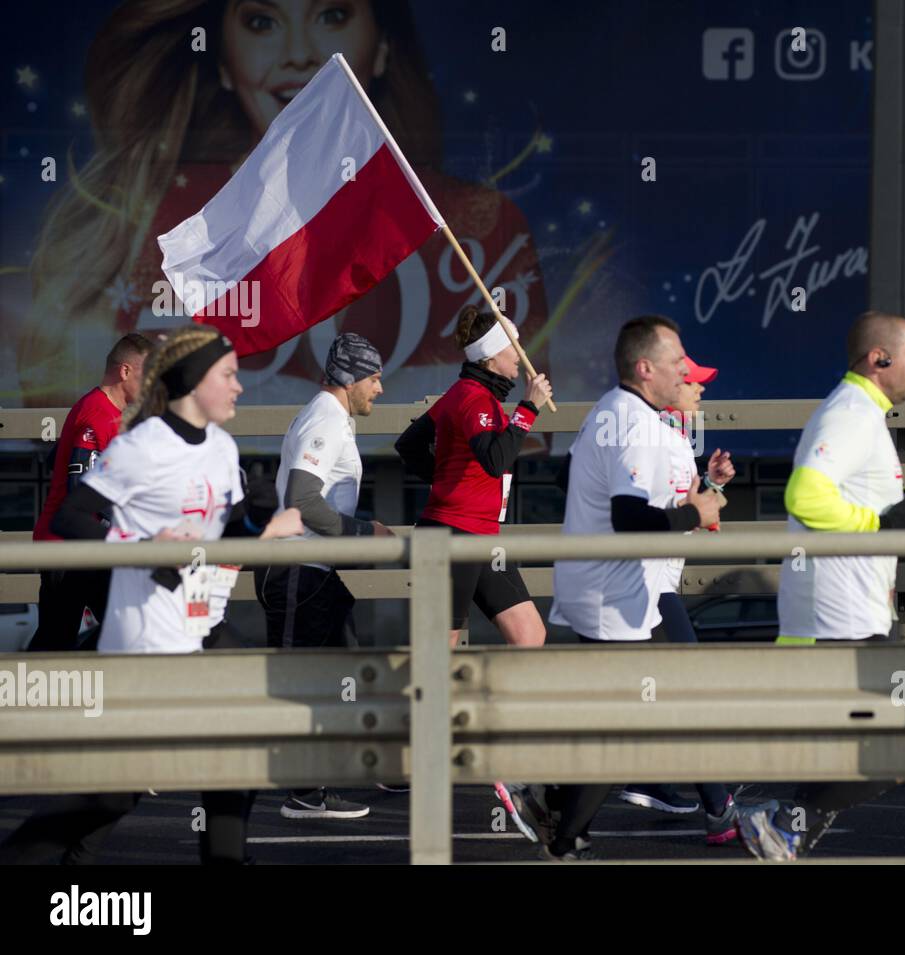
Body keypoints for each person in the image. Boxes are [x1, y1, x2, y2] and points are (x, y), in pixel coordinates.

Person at [17, 0, 548, 412]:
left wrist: (523, 407)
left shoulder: (482, 222)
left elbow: (514, 461)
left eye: (333, 14)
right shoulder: (136, 226)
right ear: (222, 60)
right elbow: (67, 413)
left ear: (384, 44)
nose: (298, 52)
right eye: (261, 22)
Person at [0, 326, 304, 865]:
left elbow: (224, 542)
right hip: (148, 634)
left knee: (240, 745)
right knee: (117, 788)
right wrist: (143, 546)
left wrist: (257, 519)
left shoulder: (222, 446)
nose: (240, 388)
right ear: (193, 382)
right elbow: (70, 516)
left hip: (202, 626)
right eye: (229, 376)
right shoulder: (142, 446)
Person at [510, 316, 724, 861]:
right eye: (677, 360)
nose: (684, 369)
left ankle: (554, 806)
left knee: (627, 713)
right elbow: (630, 518)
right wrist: (694, 514)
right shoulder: (633, 422)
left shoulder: (618, 411)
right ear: (645, 368)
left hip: (611, 588)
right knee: (627, 723)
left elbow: (590, 488)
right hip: (615, 595)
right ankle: (563, 835)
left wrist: (696, 500)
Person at [740, 311, 905, 861]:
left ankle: (784, 831)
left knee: (866, 745)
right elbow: (804, 497)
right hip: (840, 618)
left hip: (849, 613)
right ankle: (780, 825)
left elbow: (857, 505)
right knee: (895, 747)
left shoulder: (864, 414)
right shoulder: (852, 414)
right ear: (880, 360)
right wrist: (879, 526)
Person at [256, 332, 391, 820]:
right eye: (374, 379)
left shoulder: (334, 417)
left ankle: (377, 765)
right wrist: (362, 533)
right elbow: (302, 499)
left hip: (315, 572)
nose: (380, 389)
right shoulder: (326, 417)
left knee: (348, 670)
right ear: (351, 378)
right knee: (303, 682)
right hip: (296, 571)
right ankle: (304, 792)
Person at [615, 353, 743, 843]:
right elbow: (695, 521)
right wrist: (705, 498)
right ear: (671, 387)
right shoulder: (664, 443)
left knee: (649, 691)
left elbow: (684, 515)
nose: (701, 392)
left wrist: (708, 486)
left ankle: (646, 778)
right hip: (649, 585)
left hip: (640, 582)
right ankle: (718, 809)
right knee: (689, 689)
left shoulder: (664, 439)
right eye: (695, 384)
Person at [395, 305, 552, 646]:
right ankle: (423, 700)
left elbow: (409, 444)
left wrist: (444, 481)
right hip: (454, 537)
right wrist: (528, 409)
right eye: (515, 344)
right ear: (493, 355)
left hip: (480, 535)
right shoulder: (473, 398)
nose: (522, 354)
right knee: (440, 644)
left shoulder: (469, 394)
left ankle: (497, 700)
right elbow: (495, 460)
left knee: (529, 635)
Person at [29, 333, 153, 651]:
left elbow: (56, 458)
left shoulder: (107, 413)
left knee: (127, 626)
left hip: (87, 546)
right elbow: (78, 492)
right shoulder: (96, 414)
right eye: (146, 375)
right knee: (57, 642)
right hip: (68, 549)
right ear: (125, 371)